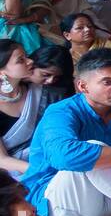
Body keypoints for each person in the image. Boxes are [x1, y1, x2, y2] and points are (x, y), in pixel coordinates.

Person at [23, 48, 111, 216]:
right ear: (82, 86)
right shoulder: (61, 111)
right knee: (89, 149)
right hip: (61, 208)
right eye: (108, 82)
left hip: (107, 200)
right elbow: (64, 156)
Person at [0, 40, 64, 176]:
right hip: (12, 172)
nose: (30, 61)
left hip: (50, 157)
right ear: (2, 72)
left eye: (26, 56)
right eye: (21, 60)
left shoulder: (40, 92)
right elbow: (2, 160)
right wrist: (41, 171)